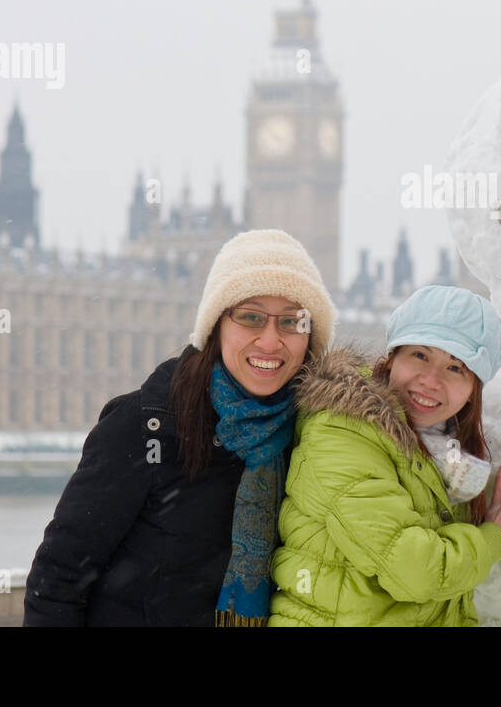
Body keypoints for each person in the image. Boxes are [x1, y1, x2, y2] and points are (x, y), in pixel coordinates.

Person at [24, 229, 335, 626]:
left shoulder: (314, 439)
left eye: (292, 321)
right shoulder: (145, 428)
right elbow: (57, 579)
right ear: (216, 325)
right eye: (251, 317)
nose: (271, 341)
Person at [268, 284, 501, 626]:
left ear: (474, 390)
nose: (430, 380)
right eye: (421, 355)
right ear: (391, 358)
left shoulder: (442, 448)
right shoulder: (341, 432)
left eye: (455, 368)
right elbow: (416, 572)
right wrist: (494, 537)